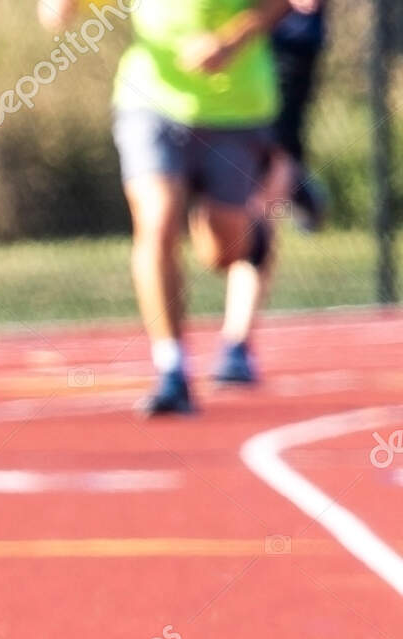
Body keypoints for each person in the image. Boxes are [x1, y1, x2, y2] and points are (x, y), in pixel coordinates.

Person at [41, 0, 290, 415]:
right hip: (149, 103)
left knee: (222, 250)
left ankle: (249, 231)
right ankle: (172, 368)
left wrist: (229, 42)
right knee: (155, 222)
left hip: (235, 107)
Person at [268, 0, 329, 232]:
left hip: (292, 41)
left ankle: (296, 189)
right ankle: (297, 187)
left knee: (281, 137)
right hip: (238, 45)